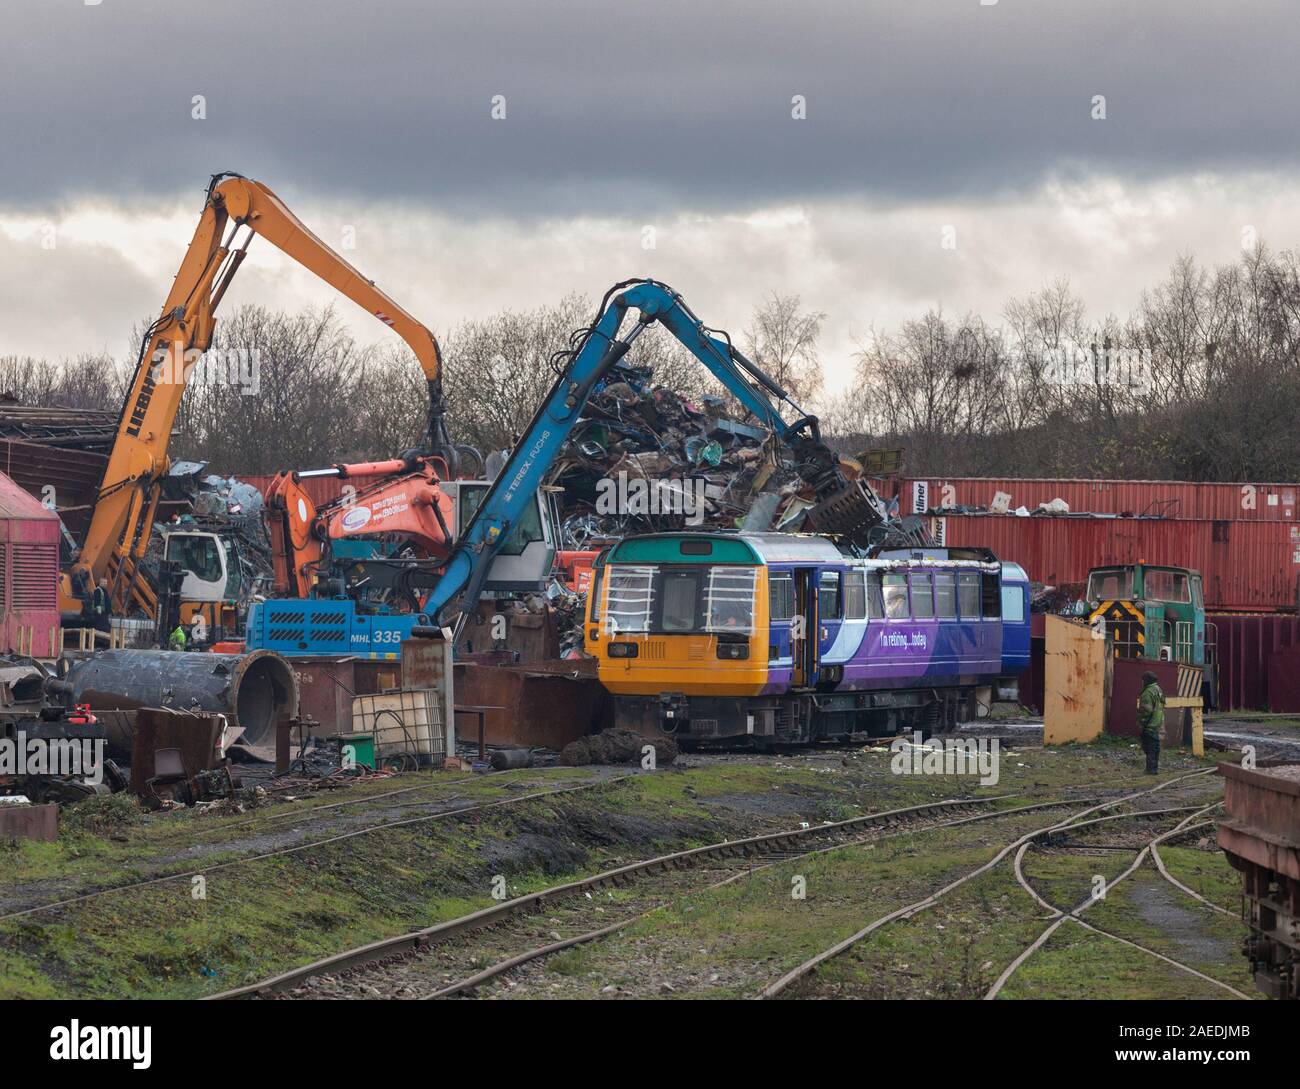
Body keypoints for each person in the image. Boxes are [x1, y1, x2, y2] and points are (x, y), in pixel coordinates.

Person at [1137, 670, 1165, 775]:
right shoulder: (1158, 690)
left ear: (1146, 681)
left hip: (1149, 724)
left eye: (1142, 680)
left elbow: (1146, 711)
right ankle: (1154, 769)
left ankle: (1150, 770)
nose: (1142, 682)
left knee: (1149, 748)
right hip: (1157, 723)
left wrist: (1141, 723)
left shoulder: (1147, 693)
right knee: (1155, 747)